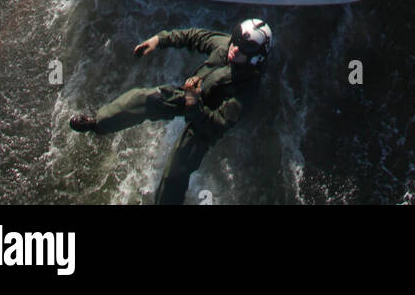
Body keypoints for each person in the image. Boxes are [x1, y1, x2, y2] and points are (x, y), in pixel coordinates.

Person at [69, 20, 272, 205]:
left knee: (175, 172)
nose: (234, 50)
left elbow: (217, 123)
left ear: (255, 58)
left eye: (242, 50)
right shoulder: (225, 45)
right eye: (234, 43)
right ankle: (98, 123)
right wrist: (158, 40)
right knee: (144, 99)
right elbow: (192, 36)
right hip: (191, 95)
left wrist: (193, 101)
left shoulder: (247, 90)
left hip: (204, 121)